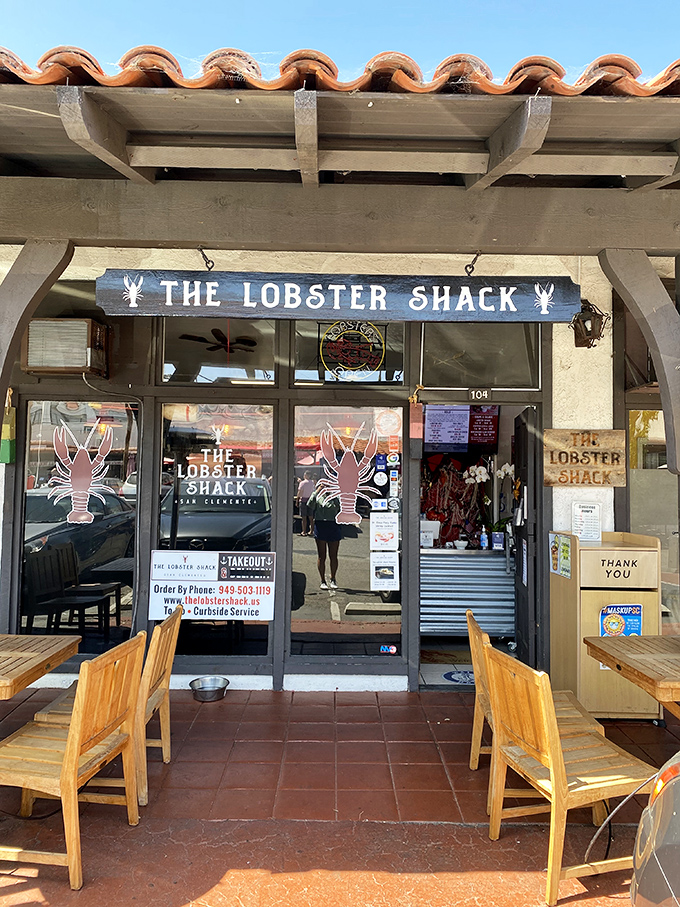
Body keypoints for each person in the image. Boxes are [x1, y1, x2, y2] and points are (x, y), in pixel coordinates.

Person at [306, 485, 342, 590]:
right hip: (320, 525)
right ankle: (322, 580)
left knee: (333, 555)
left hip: (333, 525)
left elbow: (340, 507)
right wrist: (317, 491)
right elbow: (310, 504)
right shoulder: (318, 496)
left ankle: (333, 578)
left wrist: (334, 494)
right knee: (322, 556)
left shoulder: (336, 496)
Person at [296, 470, 316, 536]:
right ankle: (311, 531)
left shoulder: (302, 483)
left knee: (304, 517)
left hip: (303, 500)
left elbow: (299, 492)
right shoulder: (312, 482)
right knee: (311, 517)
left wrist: (297, 501)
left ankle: (304, 531)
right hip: (310, 500)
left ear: (306, 475)